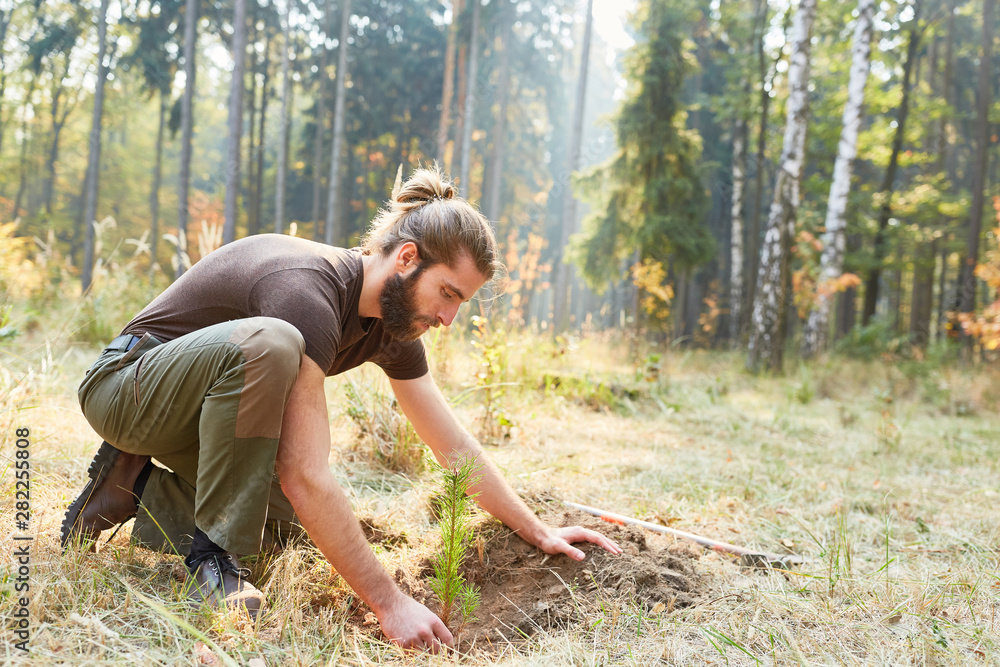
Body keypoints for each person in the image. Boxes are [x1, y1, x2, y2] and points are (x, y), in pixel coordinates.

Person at [62, 168, 621, 652]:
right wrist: (389, 603)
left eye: (460, 303)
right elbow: (305, 471)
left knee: (294, 534)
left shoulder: (393, 327)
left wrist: (538, 529)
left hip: (200, 417)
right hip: (127, 390)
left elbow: (450, 443)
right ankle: (214, 562)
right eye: (448, 294)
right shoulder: (307, 291)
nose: (449, 318)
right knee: (273, 344)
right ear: (407, 259)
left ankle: (131, 488)